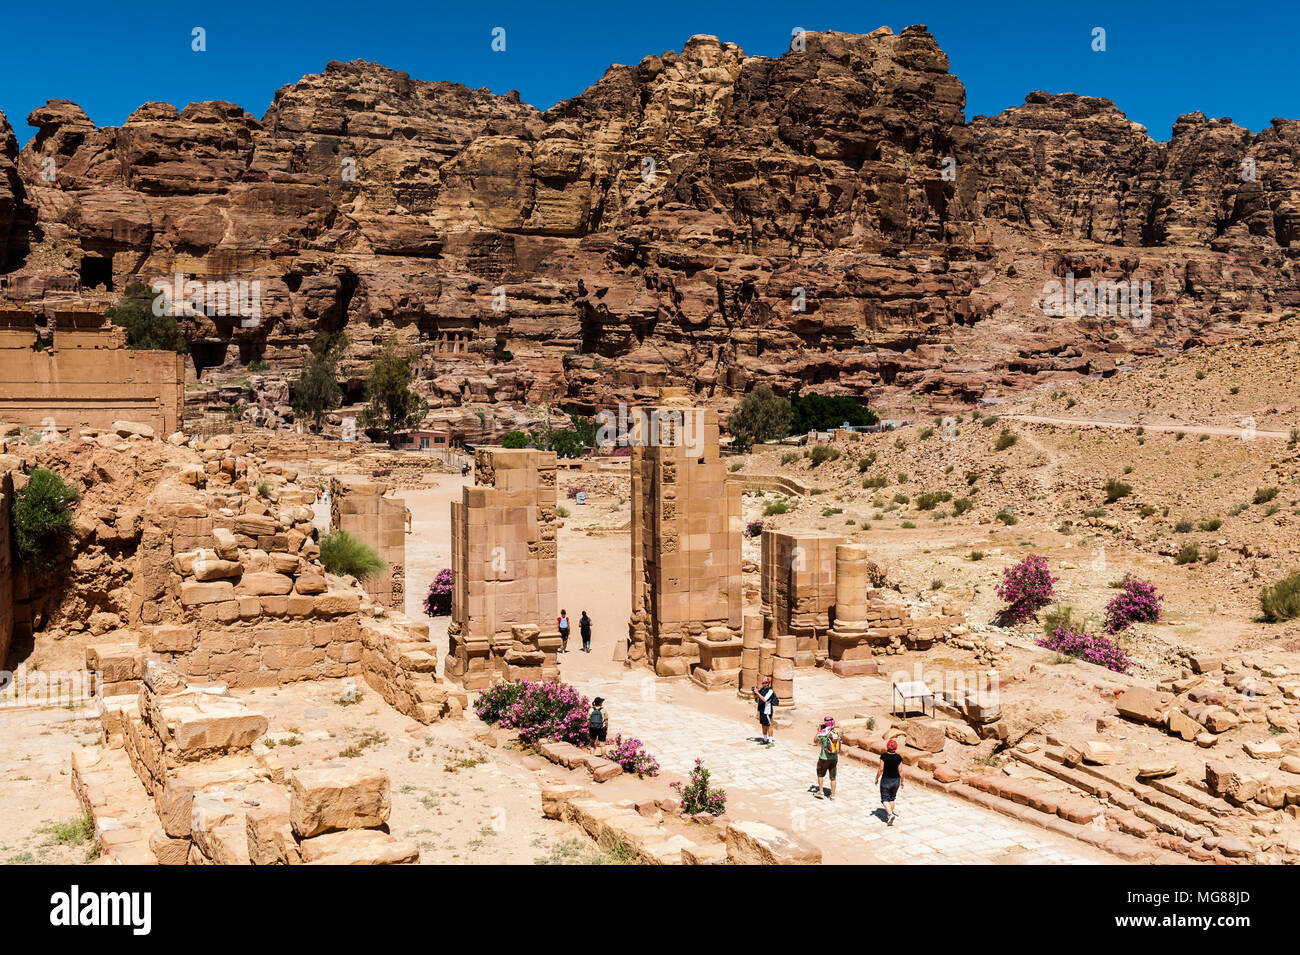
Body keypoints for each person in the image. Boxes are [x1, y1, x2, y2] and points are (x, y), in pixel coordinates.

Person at [875, 738, 904, 825]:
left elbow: (881, 769)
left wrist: (876, 778)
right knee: (892, 798)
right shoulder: (899, 757)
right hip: (896, 780)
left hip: (886, 780)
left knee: (884, 798)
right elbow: (901, 771)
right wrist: (902, 781)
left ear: (887, 747)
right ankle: (889, 815)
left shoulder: (884, 756)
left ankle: (890, 814)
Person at [812, 716, 841, 800]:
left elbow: (815, 740)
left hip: (824, 758)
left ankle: (821, 792)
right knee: (833, 777)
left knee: (820, 774)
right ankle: (833, 795)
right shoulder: (836, 732)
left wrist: (818, 731)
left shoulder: (823, 733)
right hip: (834, 758)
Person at [752, 676, 778, 745]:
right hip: (762, 710)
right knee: (763, 725)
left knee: (769, 725)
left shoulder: (770, 691)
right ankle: (765, 739)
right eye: (763, 683)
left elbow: (764, 700)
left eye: (765, 683)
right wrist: (754, 693)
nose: (764, 684)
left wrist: (757, 693)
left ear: (768, 683)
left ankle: (770, 741)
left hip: (767, 711)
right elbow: (756, 698)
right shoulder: (762, 690)